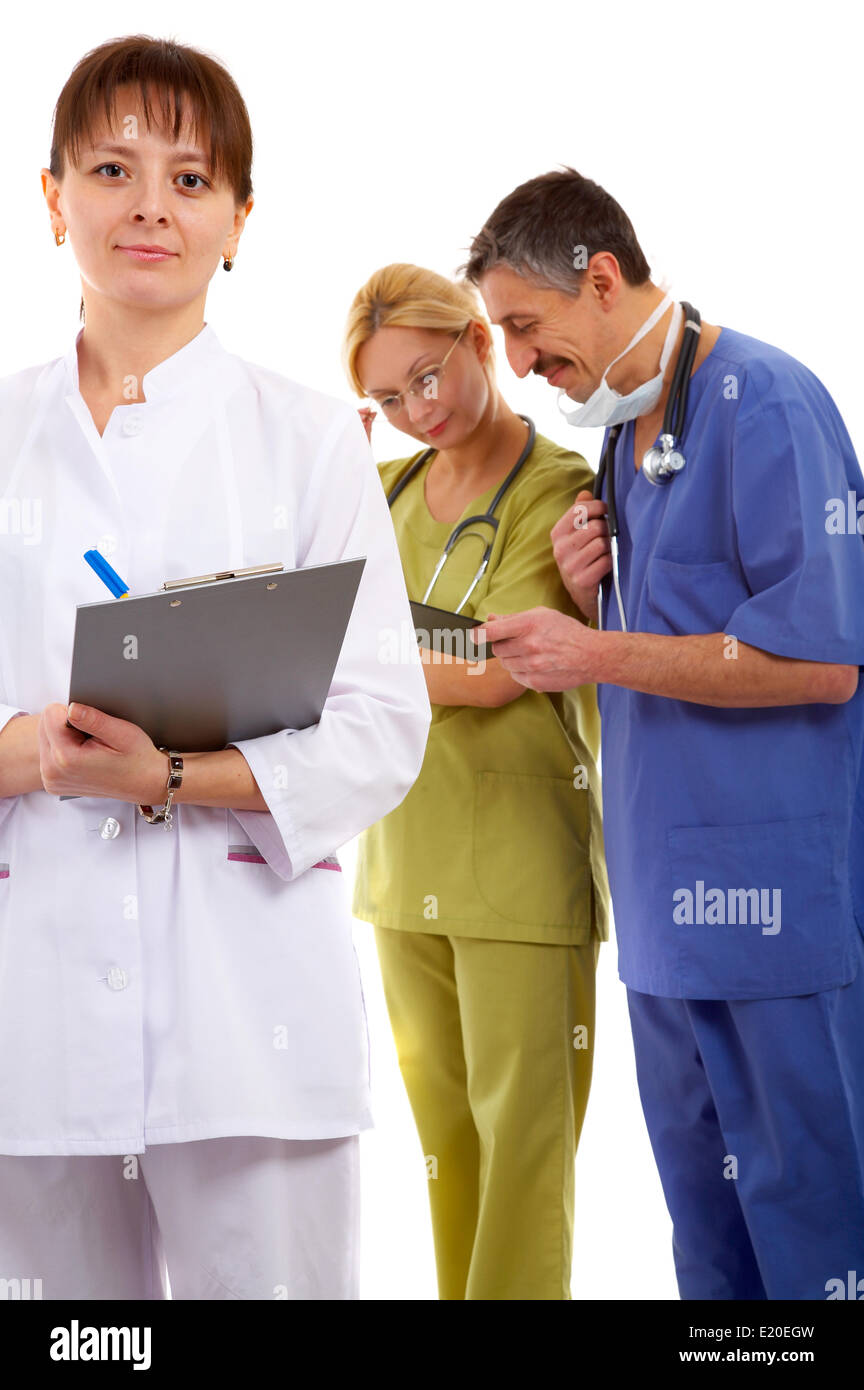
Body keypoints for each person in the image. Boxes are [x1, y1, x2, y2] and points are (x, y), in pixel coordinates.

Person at [0, 35, 430, 1301]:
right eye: (113, 168)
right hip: (35, 1006)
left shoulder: (306, 438)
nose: (149, 207)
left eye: (191, 181)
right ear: (52, 196)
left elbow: (380, 725)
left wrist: (177, 772)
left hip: (251, 1020)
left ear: (240, 221)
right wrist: (31, 752)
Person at [461, 167, 864, 1300]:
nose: (524, 367)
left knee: (814, 1235)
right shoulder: (630, 435)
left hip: (774, 914)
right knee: (710, 1242)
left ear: (600, 279)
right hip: (662, 919)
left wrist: (591, 650)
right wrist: (598, 602)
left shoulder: (768, 402)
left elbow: (825, 660)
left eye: (528, 331)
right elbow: (671, 641)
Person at [342, 263, 610, 1299]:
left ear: (482, 343)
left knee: (523, 1160)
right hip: (403, 862)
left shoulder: (557, 488)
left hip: (518, 874)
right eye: (390, 398)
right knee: (448, 1155)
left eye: (430, 373)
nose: (419, 410)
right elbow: (309, 634)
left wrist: (367, 653)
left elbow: (504, 668)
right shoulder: (387, 491)